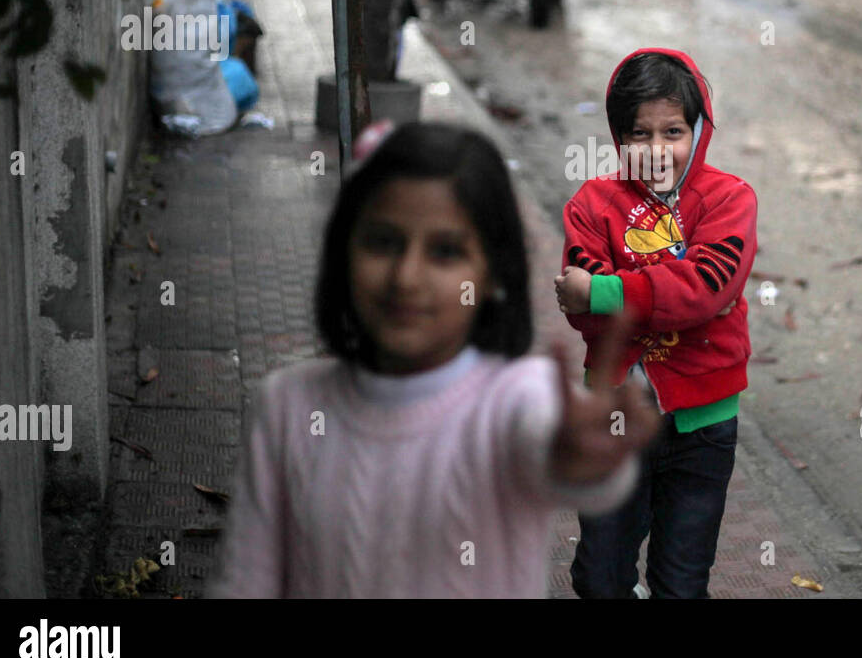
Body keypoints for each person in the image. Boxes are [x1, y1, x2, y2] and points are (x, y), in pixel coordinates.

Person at [209, 122, 659, 598]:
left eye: (445, 252)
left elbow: (563, 459)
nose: (406, 277)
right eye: (383, 242)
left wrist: (583, 456)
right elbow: (246, 580)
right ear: (344, 249)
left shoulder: (514, 398)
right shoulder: (286, 406)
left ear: (492, 274)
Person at [554, 48, 758, 598]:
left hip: (704, 427)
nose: (656, 149)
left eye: (673, 130)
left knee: (681, 582)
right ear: (619, 139)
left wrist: (604, 290)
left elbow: (708, 287)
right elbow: (595, 325)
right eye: (639, 134)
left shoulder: (730, 199)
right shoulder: (591, 205)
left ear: (699, 128)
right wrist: (678, 296)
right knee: (600, 577)